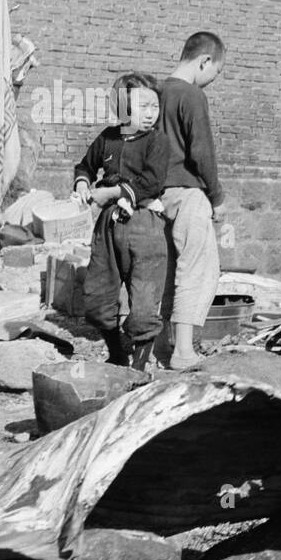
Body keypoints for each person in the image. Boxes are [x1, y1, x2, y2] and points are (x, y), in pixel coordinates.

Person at [75, 73, 170, 370]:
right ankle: (116, 353)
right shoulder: (108, 138)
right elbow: (85, 166)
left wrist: (112, 192)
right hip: (108, 227)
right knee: (97, 296)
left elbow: (151, 183)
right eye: (143, 106)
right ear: (123, 107)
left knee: (143, 302)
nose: (150, 113)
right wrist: (82, 183)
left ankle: (139, 366)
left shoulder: (157, 141)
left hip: (143, 225)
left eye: (154, 106)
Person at [157, 32, 225, 370]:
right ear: (204, 61)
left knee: (169, 270)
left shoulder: (154, 92)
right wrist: (217, 197)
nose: (212, 80)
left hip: (158, 195)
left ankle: (161, 344)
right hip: (189, 193)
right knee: (197, 268)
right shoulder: (192, 96)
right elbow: (202, 153)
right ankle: (183, 351)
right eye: (215, 73)